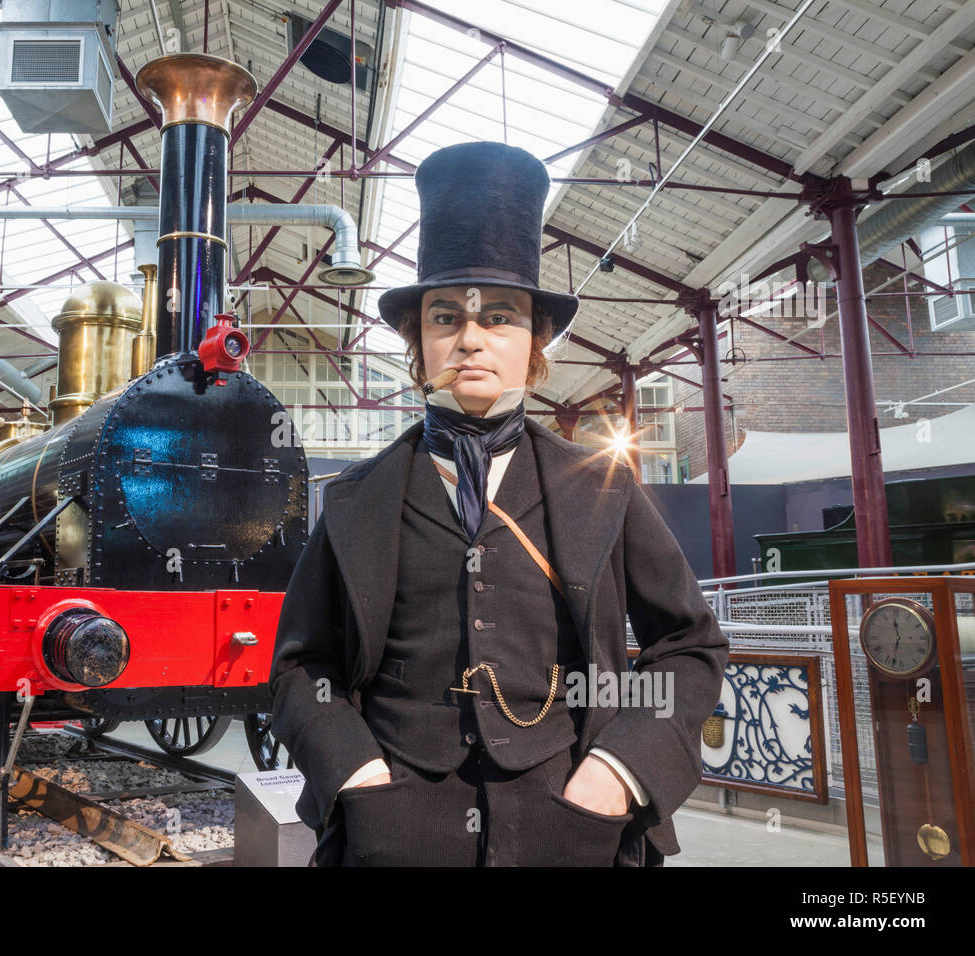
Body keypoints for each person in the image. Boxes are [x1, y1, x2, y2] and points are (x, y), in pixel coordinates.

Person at [269, 141, 728, 866]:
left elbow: (690, 646)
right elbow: (301, 665)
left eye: (501, 318)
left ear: (537, 342)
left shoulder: (603, 488)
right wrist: (353, 774)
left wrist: (617, 773)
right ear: (419, 342)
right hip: (394, 834)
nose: (472, 340)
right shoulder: (357, 500)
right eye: (446, 318)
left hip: (572, 827)